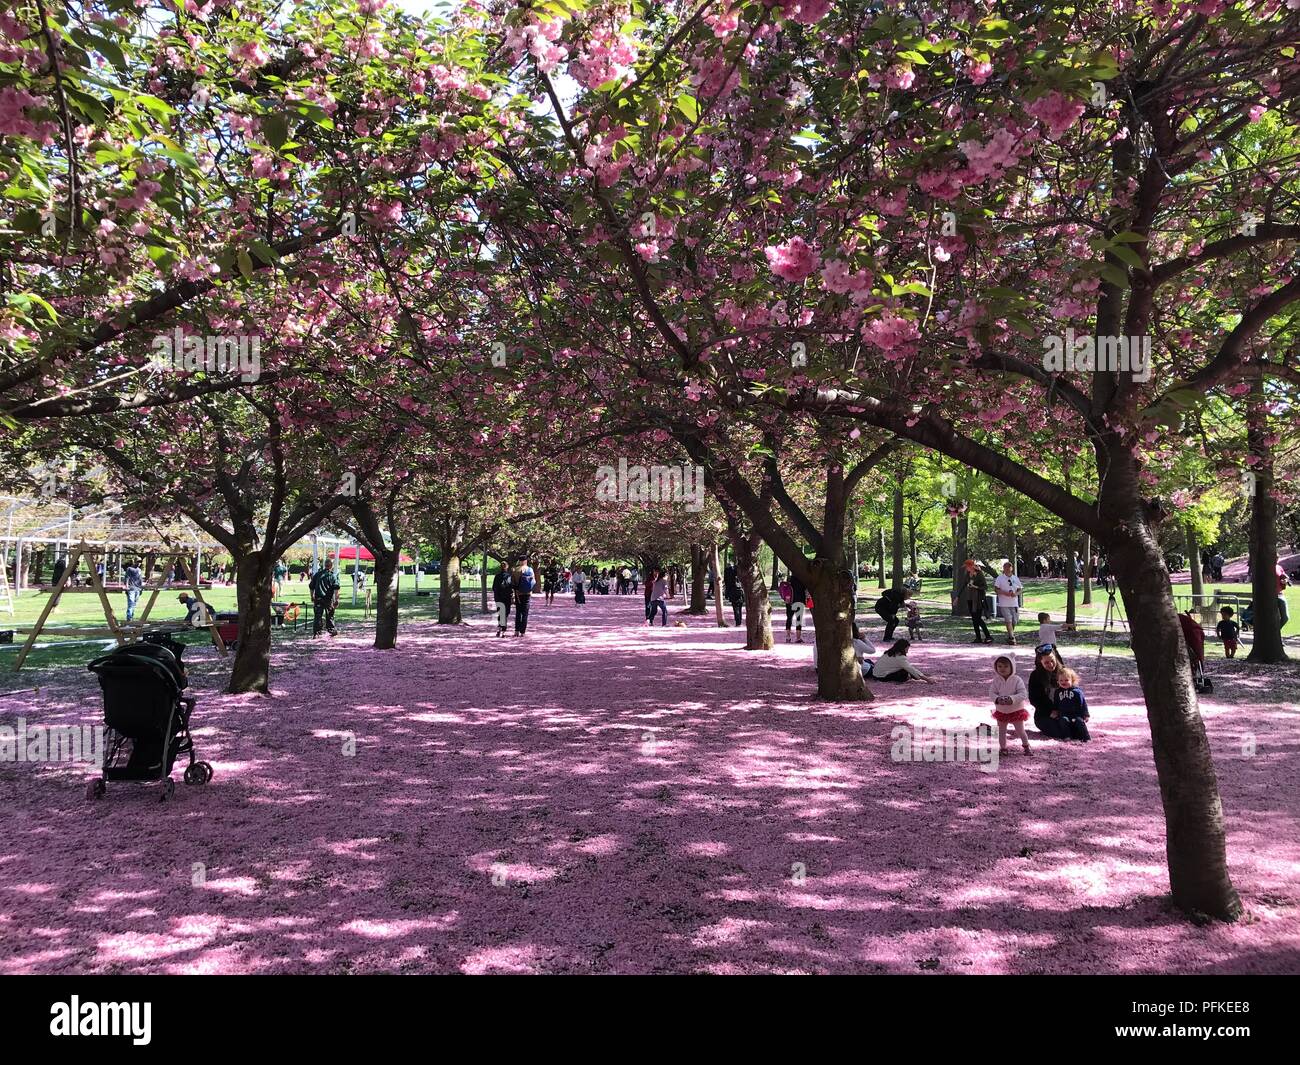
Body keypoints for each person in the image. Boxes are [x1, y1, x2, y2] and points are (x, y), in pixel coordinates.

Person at [990, 655, 1032, 755]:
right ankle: (1003, 748)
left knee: (1020, 731)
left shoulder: (1017, 680)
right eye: (999, 666)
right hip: (1001, 711)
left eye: (1006, 666)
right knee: (1001, 732)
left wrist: (1012, 699)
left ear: (1012, 667)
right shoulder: (996, 680)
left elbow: (1023, 694)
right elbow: (991, 692)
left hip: (1016, 711)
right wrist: (997, 699)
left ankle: (1026, 746)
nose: (1002, 669)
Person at [1028, 646, 1070, 738]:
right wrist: (1050, 711)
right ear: (1040, 662)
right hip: (1045, 714)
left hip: (1065, 712)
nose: (1050, 664)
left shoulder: (1064, 673)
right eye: (1046, 662)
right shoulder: (1035, 676)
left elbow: (1074, 693)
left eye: (1052, 661)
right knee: (1059, 732)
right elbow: (1034, 699)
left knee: (1075, 727)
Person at [1050, 666, 1091, 741]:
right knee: (1063, 721)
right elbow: (1056, 703)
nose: (1063, 682)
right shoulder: (1057, 692)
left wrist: (1086, 714)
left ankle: (1086, 737)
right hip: (1064, 714)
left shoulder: (1077, 692)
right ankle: (1067, 736)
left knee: (1079, 722)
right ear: (1058, 681)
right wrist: (1055, 711)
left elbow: (1083, 703)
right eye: (1061, 680)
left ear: (1072, 680)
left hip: (1076, 714)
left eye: (1066, 680)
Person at [869, 638, 934, 684]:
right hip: (882, 677)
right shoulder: (900, 658)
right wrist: (927, 679)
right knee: (904, 672)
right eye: (907, 649)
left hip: (875, 674)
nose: (907, 651)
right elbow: (911, 669)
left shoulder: (888, 653)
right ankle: (919, 676)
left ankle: (920, 675)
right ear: (903, 648)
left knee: (906, 669)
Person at [960, 560, 991, 644]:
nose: (966, 568)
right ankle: (978, 637)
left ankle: (988, 636)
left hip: (978, 599)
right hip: (970, 598)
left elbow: (985, 587)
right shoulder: (967, 575)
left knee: (978, 618)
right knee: (974, 619)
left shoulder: (979, 574)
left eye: (967, 567)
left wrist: (975, 586)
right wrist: (957, 597)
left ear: (971, 566)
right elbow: (963, 585)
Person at [993, 561, 1023, 644]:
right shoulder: (1000, 578)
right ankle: (1012, 637)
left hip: (1014, 603)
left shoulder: (1015, 578)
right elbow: (996, 589)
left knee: (1014, 621)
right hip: (1004, 603)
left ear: (1012, 568)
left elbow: (1020, 589)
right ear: (1003, 568)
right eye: (1006, 567)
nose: (1008, 569)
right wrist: (1004, 593)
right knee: (1008, 620)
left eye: (1009, 567)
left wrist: (1015, 594)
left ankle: (1010, 635)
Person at [309, 559, 340, 637]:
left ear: (324, 565)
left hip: (318, 599)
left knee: (317, 616)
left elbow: (311, 587)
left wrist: (312, 596)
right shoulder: (333, 576)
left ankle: (316, 632)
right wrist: (336, 599)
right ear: (331, 566)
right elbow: (336, 588)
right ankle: (331, 630)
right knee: (330, 615)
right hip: (328, 600)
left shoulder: (317, 574)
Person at [513, 556, 536, 636]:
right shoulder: (530, 570)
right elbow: (534, 582)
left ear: (519, 561)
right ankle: (523, 632)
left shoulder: (516, 570)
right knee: (525, 613)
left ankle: (516, 631)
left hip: (518, 594)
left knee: (518, 612)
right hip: (527, 594)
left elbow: (513, 583)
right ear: (526, 561)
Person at [783, 571, 807, 644]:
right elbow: (805, 590)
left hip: (790, 602)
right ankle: (798, 637)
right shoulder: (803, 579)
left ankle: (788, 637)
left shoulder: (790, 579)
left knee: (789, 618)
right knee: (799, 620)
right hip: (799, 601)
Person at [492, 563, 513, 636]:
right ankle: (503, 630)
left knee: (501, 613)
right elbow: (511, 587)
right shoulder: (509, 576)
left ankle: (499, 628)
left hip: (498, 597)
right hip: (507, 597)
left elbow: (493, 588)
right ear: (507, 567)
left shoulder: (497, 576)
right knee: (505, 613)